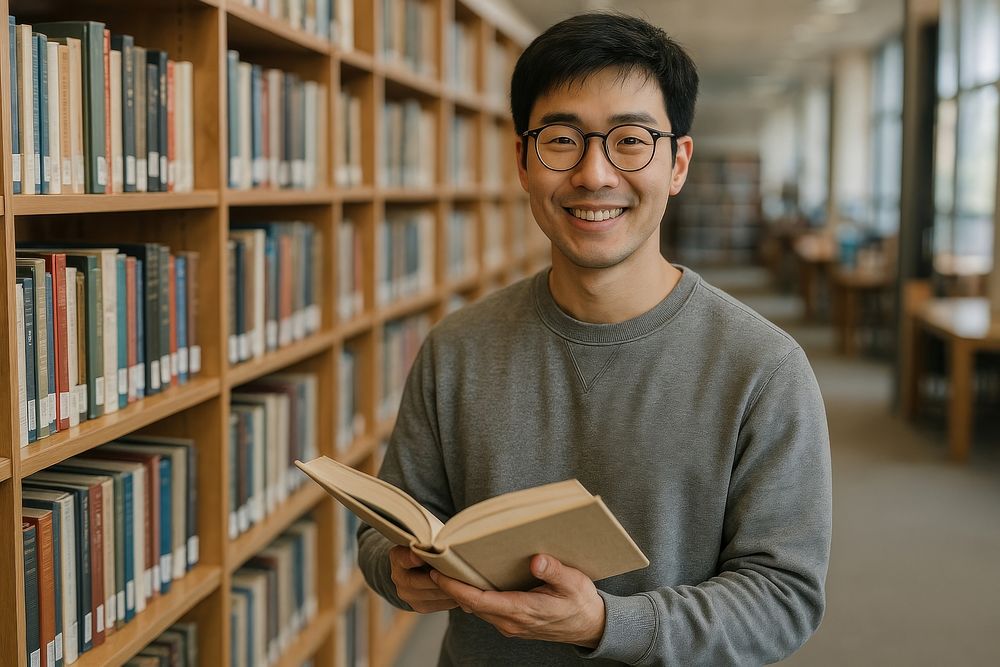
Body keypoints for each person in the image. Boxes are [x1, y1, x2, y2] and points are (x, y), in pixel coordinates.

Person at [357, 11, 832, 666]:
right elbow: (384, 534)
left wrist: (605, 622)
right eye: (561, 140)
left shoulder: (764, 367)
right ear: (523, 161)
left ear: (678, 163)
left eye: (630, 141)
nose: (594, 174)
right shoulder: (457, 347)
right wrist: (397, 568)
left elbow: (783, 597)